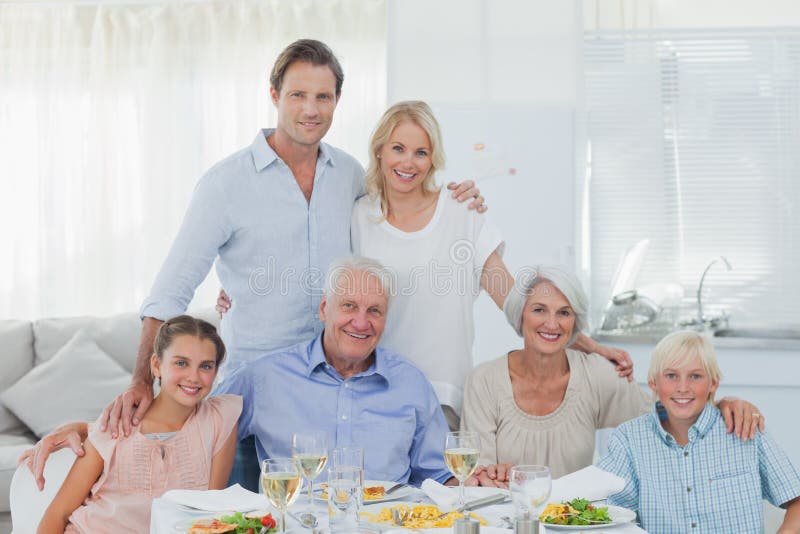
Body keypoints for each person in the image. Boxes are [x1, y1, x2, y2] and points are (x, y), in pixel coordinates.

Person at [86, 39, 481, 491]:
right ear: (274, 96)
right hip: (255, 401)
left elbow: (403, 216)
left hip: (337, 388)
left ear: (337, 102)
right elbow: (170, 291)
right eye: (298, 95)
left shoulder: (350, 175)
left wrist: (455, 199)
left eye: (323, 97)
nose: (310, 110)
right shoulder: (225, 185)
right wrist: (141, 380)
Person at [217, 101, 634, 426]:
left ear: (433, 159)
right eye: (398, 148)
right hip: (370, 397)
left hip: (444, 400)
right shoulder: (358, 215)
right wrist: (238, 288)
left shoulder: (462, 212)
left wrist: (592, 347)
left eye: (421, 152)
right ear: (379, 150)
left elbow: (517, 306)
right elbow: (313, 269)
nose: (408, 162)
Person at [461, 265, 764, 482]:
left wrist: (722, 405)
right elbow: (478, 478)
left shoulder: (594, 375)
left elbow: (668, 415)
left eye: (564, 312)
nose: (551, 324)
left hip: (576, 524)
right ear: (520, 316)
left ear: (574, 323)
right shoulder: (485, 381)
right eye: (539, 309)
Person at [215, 255, 456, 484]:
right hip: (298, 524)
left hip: (387, 524)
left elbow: (441, 476)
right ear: (323, 309)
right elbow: (197, 430)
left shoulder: (410, 382)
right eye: (349, 306)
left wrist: (480, 483)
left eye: (374, 311)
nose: (361, 323)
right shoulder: (266, 378)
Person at [36, 316, 241, 534]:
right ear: (156, 365)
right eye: (181, 363)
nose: (194, 376)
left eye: (206, 366)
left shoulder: (221, 418)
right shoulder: (114, 426)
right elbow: (57, 514)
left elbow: (208, 513)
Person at [597, 331, 800, 534]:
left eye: (695, 376)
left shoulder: (745, 428)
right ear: (653, 383)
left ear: (713, 383)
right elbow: (606, 514)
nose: (683, 387)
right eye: (671, 376)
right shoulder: (629, 439)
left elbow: (797, 502)